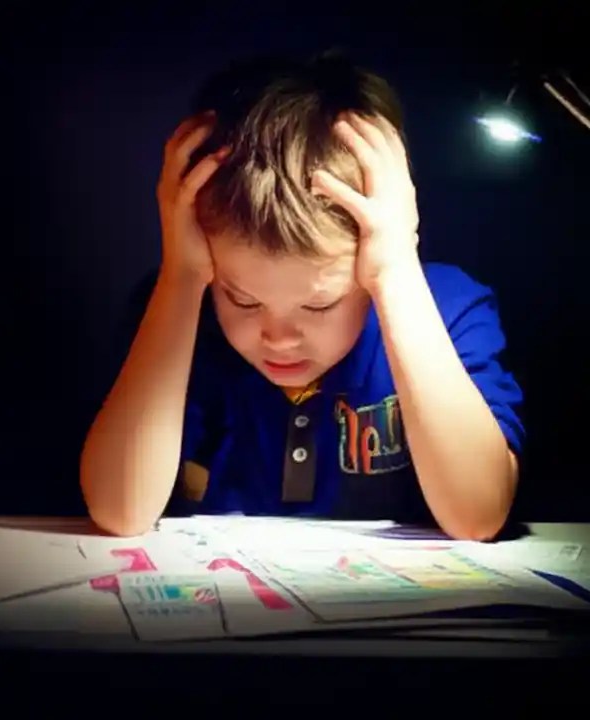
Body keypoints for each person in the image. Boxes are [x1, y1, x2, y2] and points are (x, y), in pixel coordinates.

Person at [79, 51, 523, 541]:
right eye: (243, 300)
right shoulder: (182, 309)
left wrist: (396, 268)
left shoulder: (448, 308)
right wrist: (182, 278)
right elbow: (120, 510)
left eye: (319, 304)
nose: (279, 337)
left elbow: (478, 514)